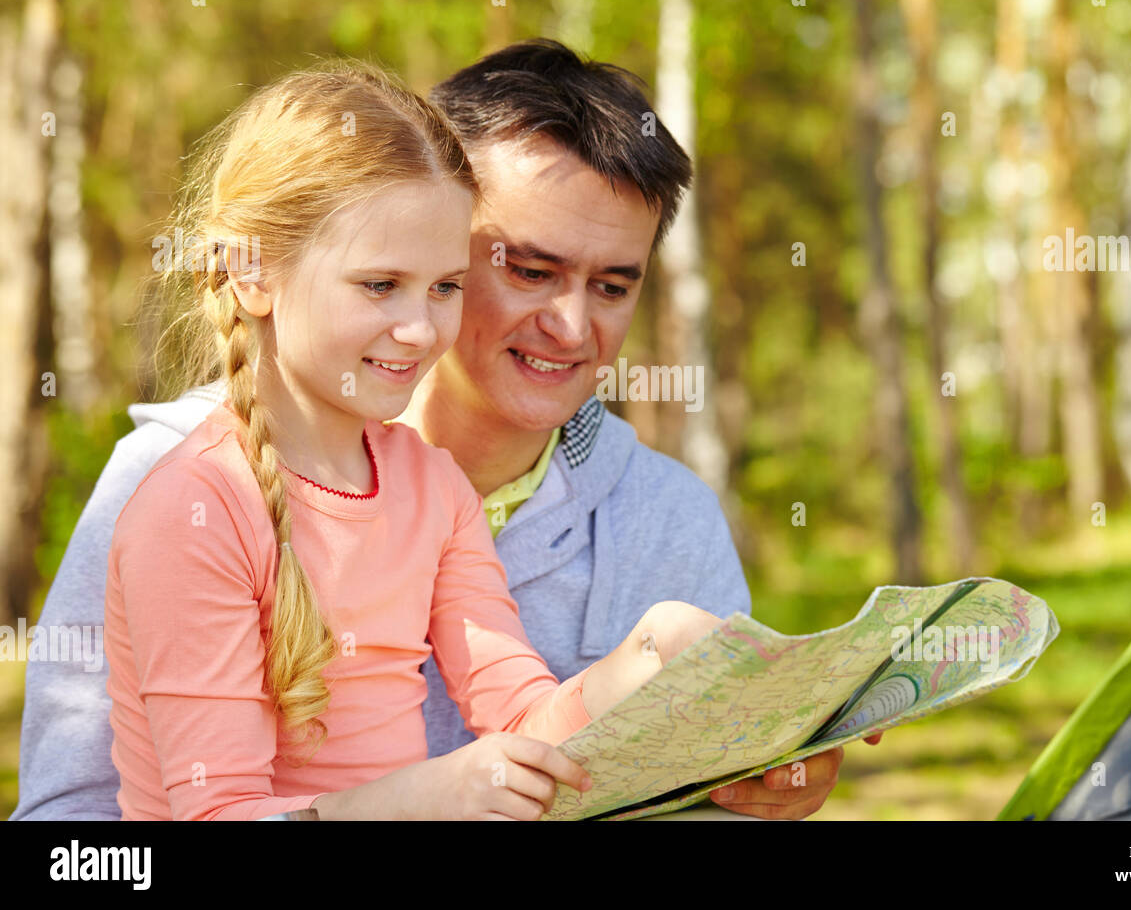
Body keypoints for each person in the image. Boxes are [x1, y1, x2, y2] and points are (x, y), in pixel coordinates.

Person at [14, 40, 866, 823]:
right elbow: (122, 825)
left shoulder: (455, 490)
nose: (421, 327)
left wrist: (661, 652)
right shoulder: (182, 495)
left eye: (443, 287)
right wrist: (425, 798)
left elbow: (529, 723)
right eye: (527, 269)